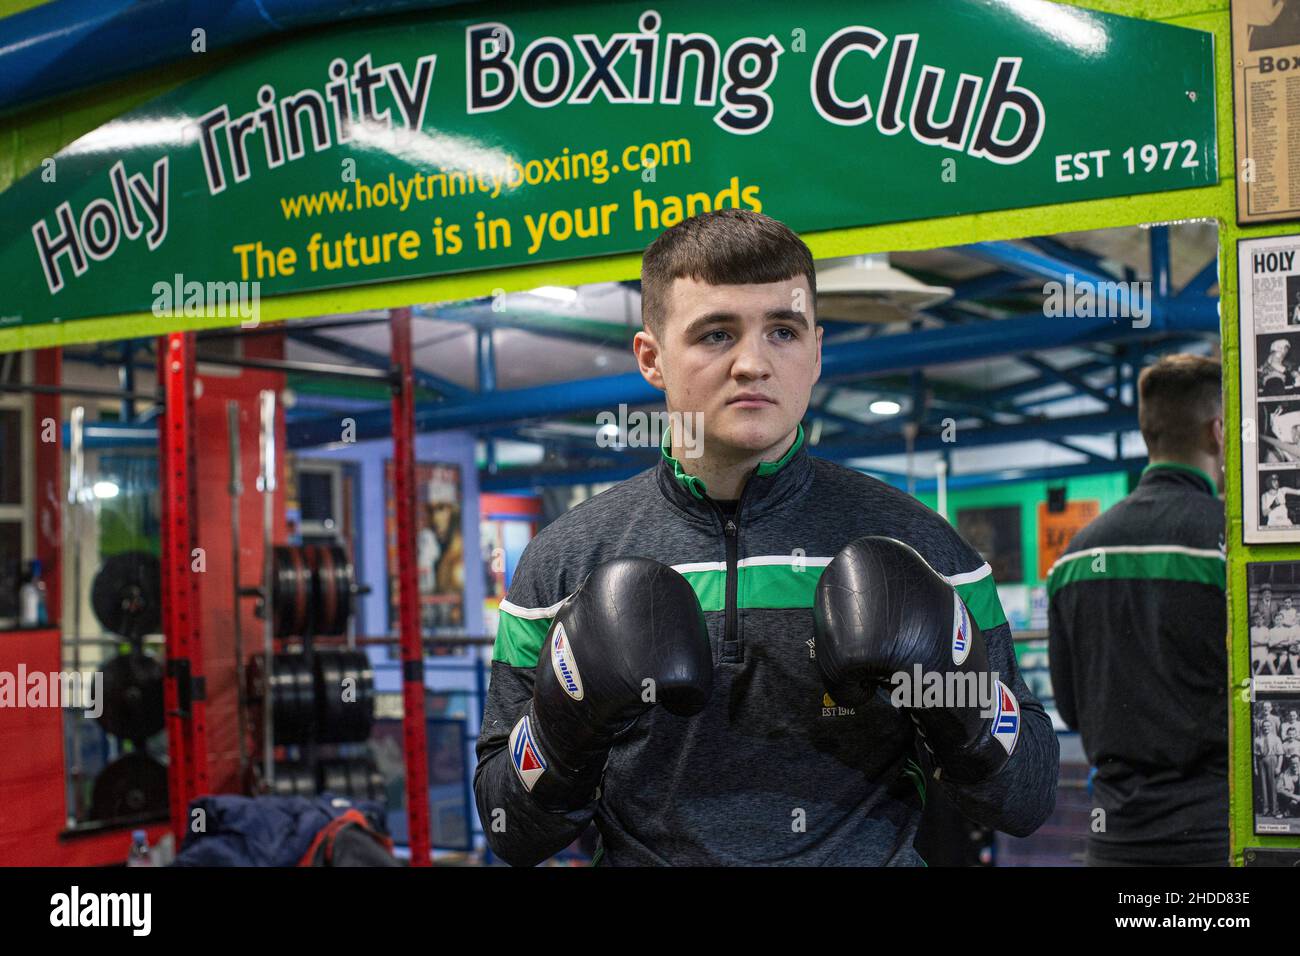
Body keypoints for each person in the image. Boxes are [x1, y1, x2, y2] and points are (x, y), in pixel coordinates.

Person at [473, 210, 1058, 866]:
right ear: (652, 359)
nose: (752, 363)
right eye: (716, 334)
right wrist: (563, 733)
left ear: (816, 350)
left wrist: (960, 701)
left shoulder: (922, 546)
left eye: (783, 331)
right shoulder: (564, 562)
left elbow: (1028, 796)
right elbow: (509, 826)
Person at [1047, 353, 1228, 866]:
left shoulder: (1077, 555)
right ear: (1217, 432)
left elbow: (1071, 709)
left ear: (1150, 433)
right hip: (1215, 840)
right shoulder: (1232, 547)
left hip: (1114, 843)